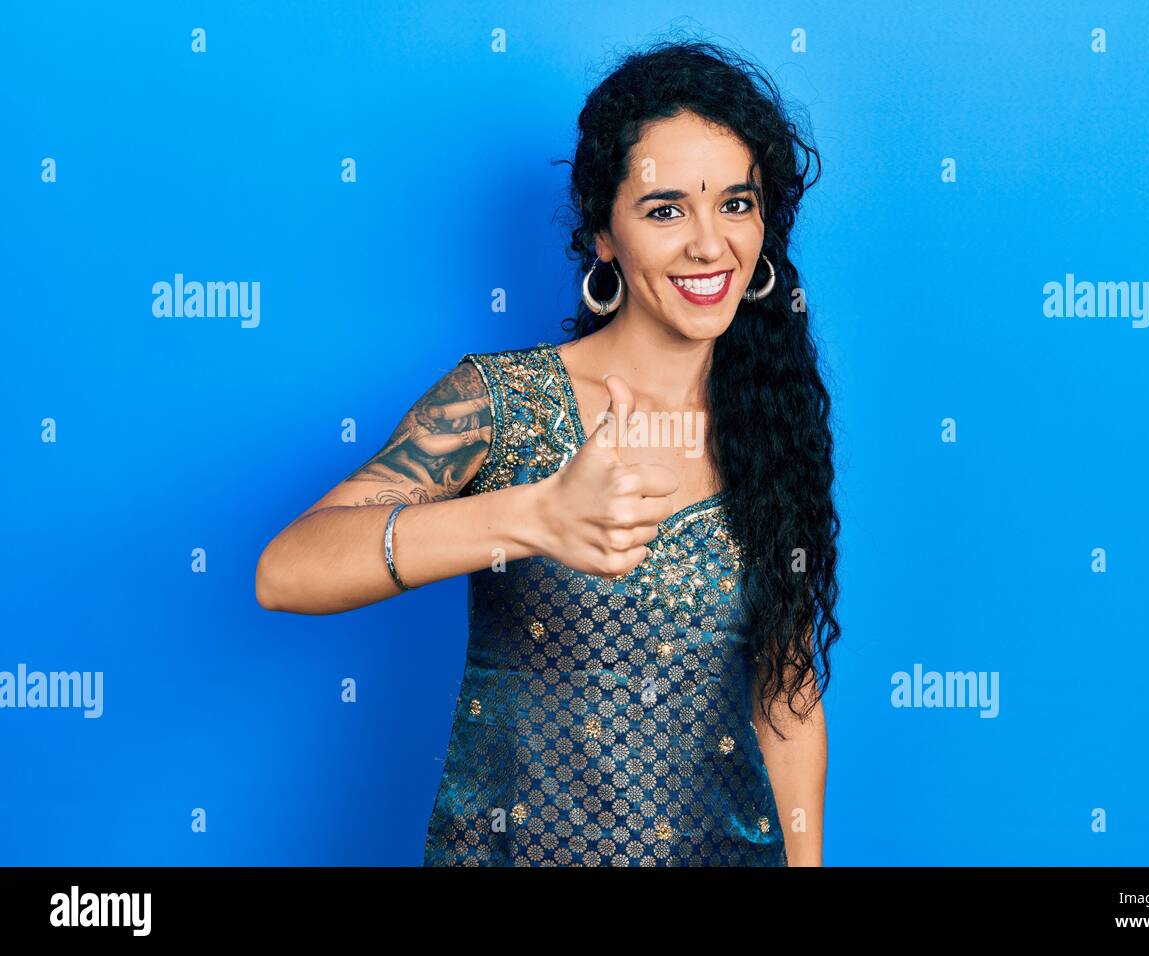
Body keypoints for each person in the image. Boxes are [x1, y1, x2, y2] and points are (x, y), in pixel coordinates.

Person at [255, 38, 840, 866]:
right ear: (603, 233)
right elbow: (285, 570)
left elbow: (785, 692)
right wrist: (527, 516)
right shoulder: (500, 403)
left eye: (736, 204)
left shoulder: (771, 429)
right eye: (665, 209)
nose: (710, 245)